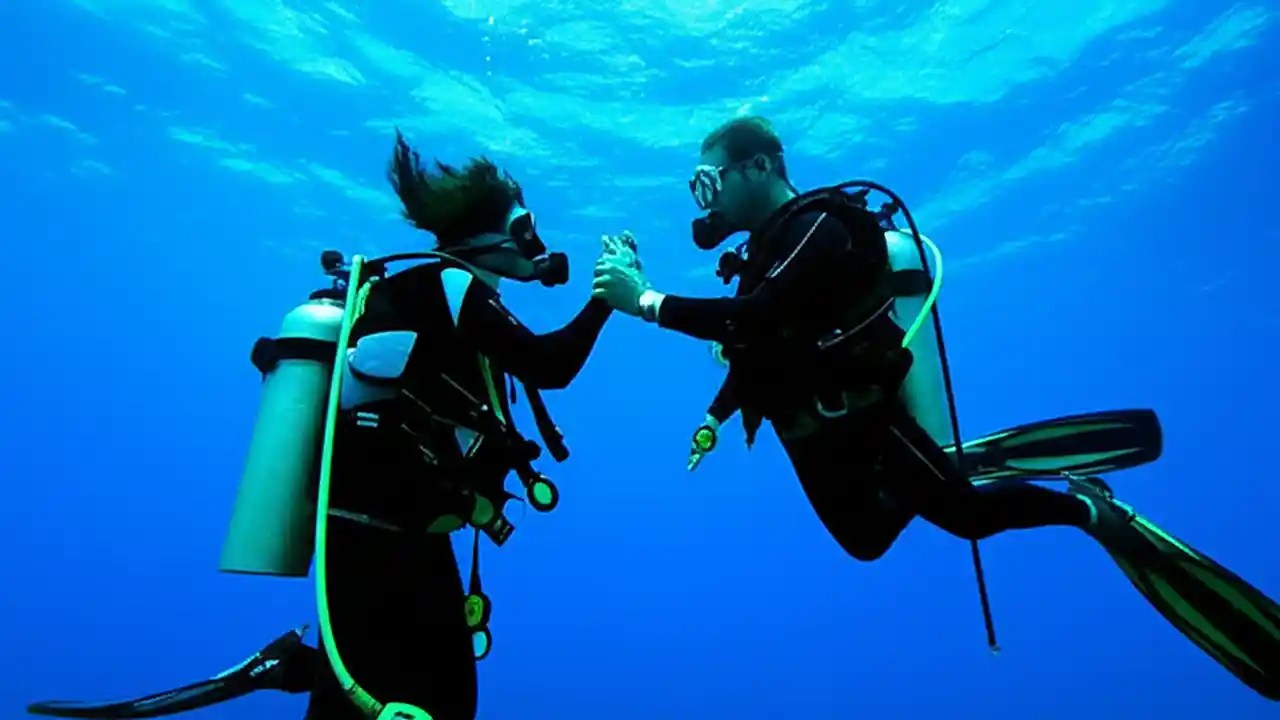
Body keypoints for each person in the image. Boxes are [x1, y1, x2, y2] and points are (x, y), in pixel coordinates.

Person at [591, 114, 1280, 701]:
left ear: (760, 166)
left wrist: (644, 300)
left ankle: (1088, 509)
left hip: (866, 421)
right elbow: (758, 345)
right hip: (811, 435)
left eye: (709, 179)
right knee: (865, 543)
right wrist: (716, 416)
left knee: (967, 516)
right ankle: (950, 466)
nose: (705, 197)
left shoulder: (819, 226)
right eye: (699, 185)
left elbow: (759, 316)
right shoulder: (764, 254)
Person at [27, 130, 638, 720]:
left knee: (393, 698)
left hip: (396, 530)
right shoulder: (451, 285)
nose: (536, 243)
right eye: (525, 227)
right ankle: (298, 669)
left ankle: (299, 669)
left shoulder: (427, 290)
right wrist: (606, 297)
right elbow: (550, 365)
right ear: (492, 233)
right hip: (386, 537)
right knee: (433, 704)